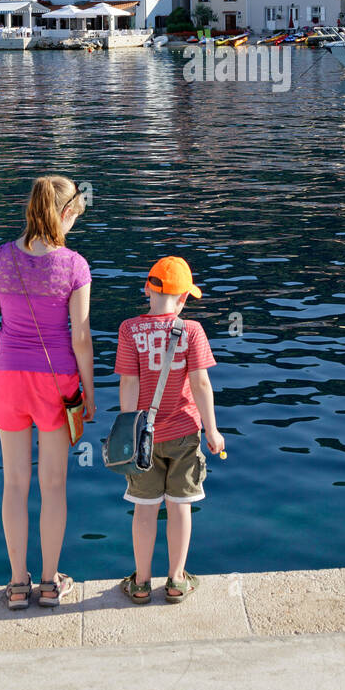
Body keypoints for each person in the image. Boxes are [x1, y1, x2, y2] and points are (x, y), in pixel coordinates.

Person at [0, 175, 95, 610]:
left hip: (7, 378)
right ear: (65, 213)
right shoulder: (74, 266)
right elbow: (80, 338)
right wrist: (90, 386)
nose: (73, 228)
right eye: (75, 219)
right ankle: (49, 582)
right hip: (56, 382)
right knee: (53, 485)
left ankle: (15, 584)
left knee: (13, 484)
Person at [115, 256, 224, 604]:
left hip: (143, 439)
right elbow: (201, 384)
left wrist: (129, 432)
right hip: (184, 433)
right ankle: (176, 579)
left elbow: (128, 385)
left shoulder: (129, 329)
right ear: (183, 299)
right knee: (180, 506)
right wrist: (212, 430)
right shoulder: (192, 331)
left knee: (145, 508)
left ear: (148, 289)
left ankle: (142, 582)